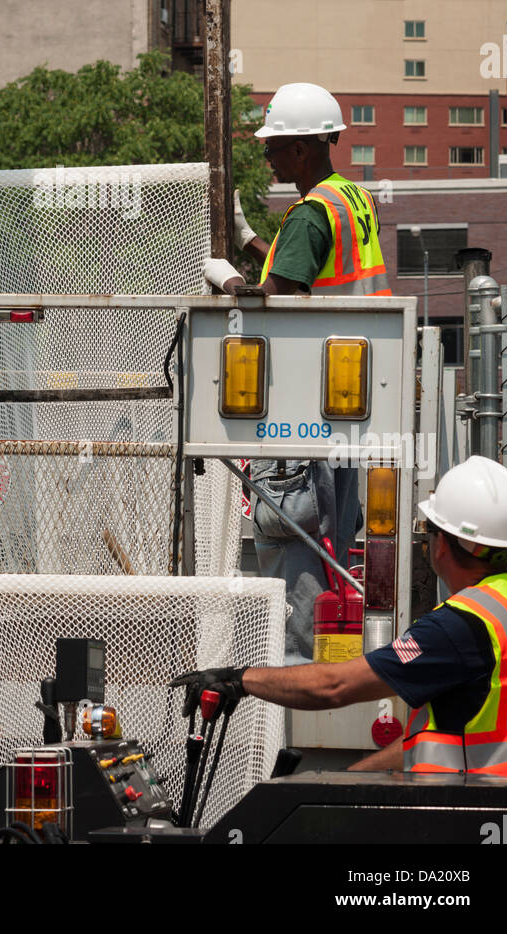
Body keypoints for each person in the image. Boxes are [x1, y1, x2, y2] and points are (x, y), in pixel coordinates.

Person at [202, 82, 391, 663]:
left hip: (307, 411)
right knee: (334, 540)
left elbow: (272, 297)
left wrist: (227, 277)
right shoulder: (351, 199)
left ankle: (299, 679)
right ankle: (328, 663)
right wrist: (252, 239)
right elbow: (309, 271)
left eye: (274, 148)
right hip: (355, 401)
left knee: (293, 541)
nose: (268, 158)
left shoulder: (312, 214)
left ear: (303, 149)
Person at [185, 457, 507, 775]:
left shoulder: (459, 626)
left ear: (441, 544)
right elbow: (433, 742)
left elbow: (335, 686)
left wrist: (241, 679)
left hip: (472, 807)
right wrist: (345, 780)